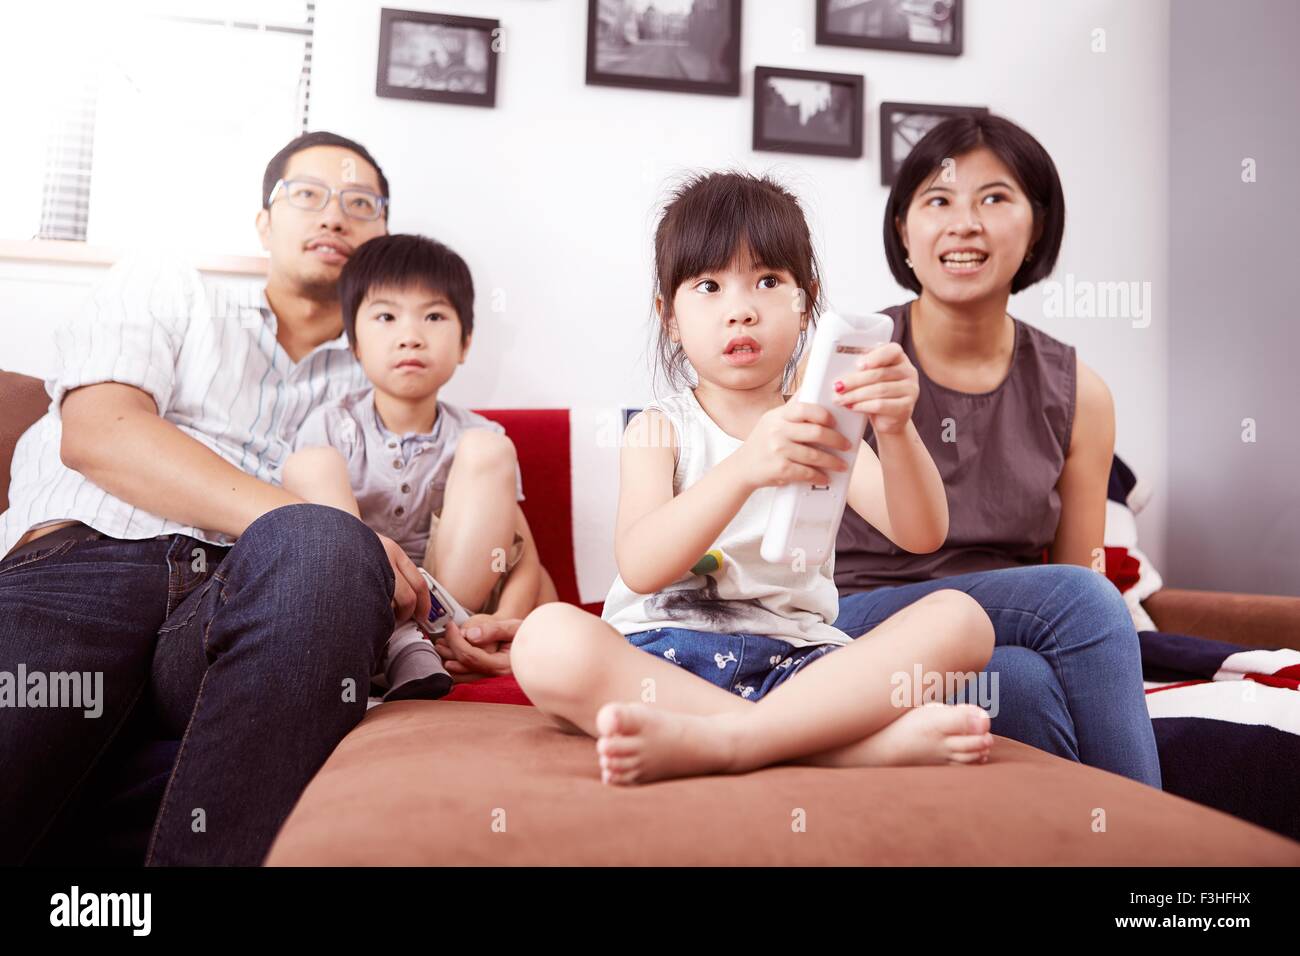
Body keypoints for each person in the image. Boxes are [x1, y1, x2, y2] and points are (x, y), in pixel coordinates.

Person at [0, 131, 437, 865]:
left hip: (259, 603)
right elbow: (101, 433)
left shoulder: (391, 371)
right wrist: (302, 520)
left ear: (382, 234)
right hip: (82, 569)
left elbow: (441, 517)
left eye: (360, 203)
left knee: (326, 547)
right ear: (264, 222)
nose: (334, 217)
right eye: (308, 195)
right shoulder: (168, 285)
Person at [510, 170, 995, 786]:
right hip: (661, 662)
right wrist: (744, 467)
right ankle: (833, 748)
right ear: (669, 316)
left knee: (961, 619)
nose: (740, 310)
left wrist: (896, 429)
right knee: (545, 639)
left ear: (807, 302)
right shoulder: (660, 429)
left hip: (800, 665)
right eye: (708, 286)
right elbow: (641, 565)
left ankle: (732, 741)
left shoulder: (823, 422)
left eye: (768, 281)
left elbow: (922, 534)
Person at [831, 113, 1163, 787]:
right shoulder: (850, 364)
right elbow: (1082, 600)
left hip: (1002, 635)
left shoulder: (1081, 395)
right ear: (903, 229)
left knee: (1023, 684)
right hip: (857, 622)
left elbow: (1079, 571)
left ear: (1036, 226)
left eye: (995, 198)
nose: (965, 223)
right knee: (1085, 604)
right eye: (938, 200)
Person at [282, 233, 556, 701]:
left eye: (433, 316)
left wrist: (502, 625)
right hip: (361, 609)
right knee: (311, 461)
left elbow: (524, 558)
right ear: (355, 345)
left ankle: (426, 649)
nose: (411, 335)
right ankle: (388, 643)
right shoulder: (331, 425)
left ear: (465, 343)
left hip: (453, 618)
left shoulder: (478, 437)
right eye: (386, 317)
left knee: (488, 449)